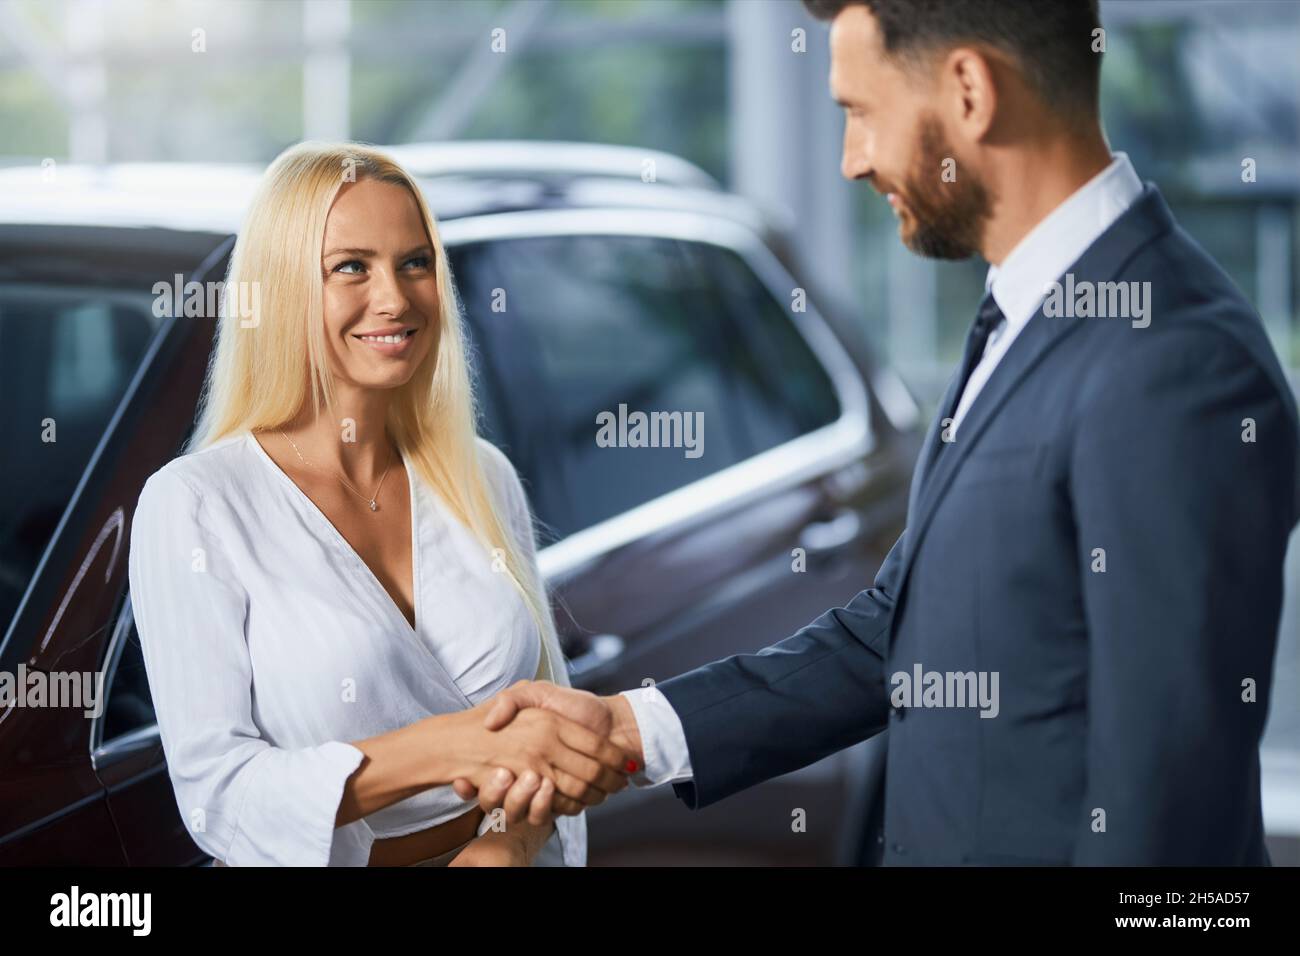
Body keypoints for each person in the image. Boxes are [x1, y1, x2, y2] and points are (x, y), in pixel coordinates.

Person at [457, 0, 1300, 865]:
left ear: (969, 91)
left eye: (860, 112)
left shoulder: (1178, 366)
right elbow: (902, 626)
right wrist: (630, 728)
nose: (852, 159)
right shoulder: (1028, 315)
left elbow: (1170, 824)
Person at [127, 141, 635, 867]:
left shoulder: (480, 477)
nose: (395, 298)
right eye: (351, 267)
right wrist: (456, 745)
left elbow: (544, 724)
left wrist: (505, 844)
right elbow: (220, 796)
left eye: (415, 262)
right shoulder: (195, 506)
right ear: (281, 288)